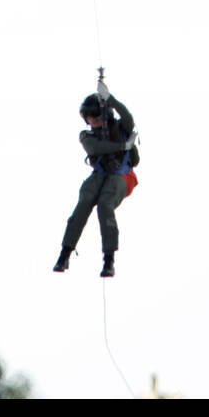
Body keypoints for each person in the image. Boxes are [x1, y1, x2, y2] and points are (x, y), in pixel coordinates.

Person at [53, 82, 137, 278]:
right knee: (84, 203)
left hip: (122, 174)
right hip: (100, 174)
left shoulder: (118, 127)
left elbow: (128, 118)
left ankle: (109, 260)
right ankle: (65, 253)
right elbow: (95, 149)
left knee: (105, 205)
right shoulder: (87, 136)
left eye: (98, 116)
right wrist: (122, 146)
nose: (95, 121)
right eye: (90, 118)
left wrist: (111, 100)